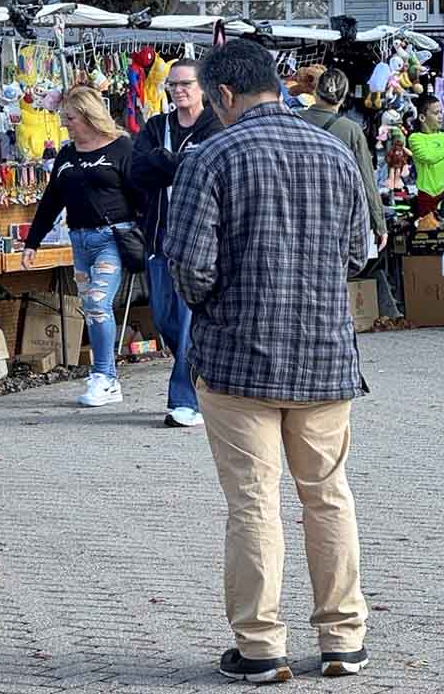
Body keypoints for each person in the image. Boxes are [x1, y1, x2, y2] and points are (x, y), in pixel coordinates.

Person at [165, 39, 371, 684]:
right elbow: (358, 253)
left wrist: (218, 306)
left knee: (254, 503)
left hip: (238, 359)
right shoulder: (336, 150)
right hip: (325, 355)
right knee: (328, 498)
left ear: (224, 94)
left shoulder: (212, 155)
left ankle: (260, 647)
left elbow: (188, 265)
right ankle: (343, 640)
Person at [22, 86, 137, 407]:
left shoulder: (122, 147)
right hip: (80, 240)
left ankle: (104, 376)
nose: (65, 124)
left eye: (70, 118)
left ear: (88, 116)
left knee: (99, 303)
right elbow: (51, 200)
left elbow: (140, 193)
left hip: (112, 237)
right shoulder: (67, 154)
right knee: (90, 307)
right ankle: (107, 379)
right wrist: (33, 242)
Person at [131, 58, 222, 427]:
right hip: (158, 236)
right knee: (163, 316)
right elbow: (137, 170)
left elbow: (206, 169)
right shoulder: (157, 126)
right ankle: (203, 371)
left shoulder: (215, 126)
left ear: (202, 88)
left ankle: (185, 400)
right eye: (173, 84)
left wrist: (163, 161)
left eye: (186, 84)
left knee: (186, 321)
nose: (179, 90)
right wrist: (175, 162)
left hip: (197, 239)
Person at [299, 68, 387, 251]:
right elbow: (366, 179)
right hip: (334, 218)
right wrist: (379, 224)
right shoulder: (351, 130)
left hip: (294, 213)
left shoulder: (293, 120)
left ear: (316, 91)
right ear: (343, 96)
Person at [406, 94, 444, 218]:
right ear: (422, 117)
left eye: (441, 112)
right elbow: (428, 157)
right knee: (427, 228)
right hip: (427, 195)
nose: (440, 116)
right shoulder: (415, 138)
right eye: (436, 113)